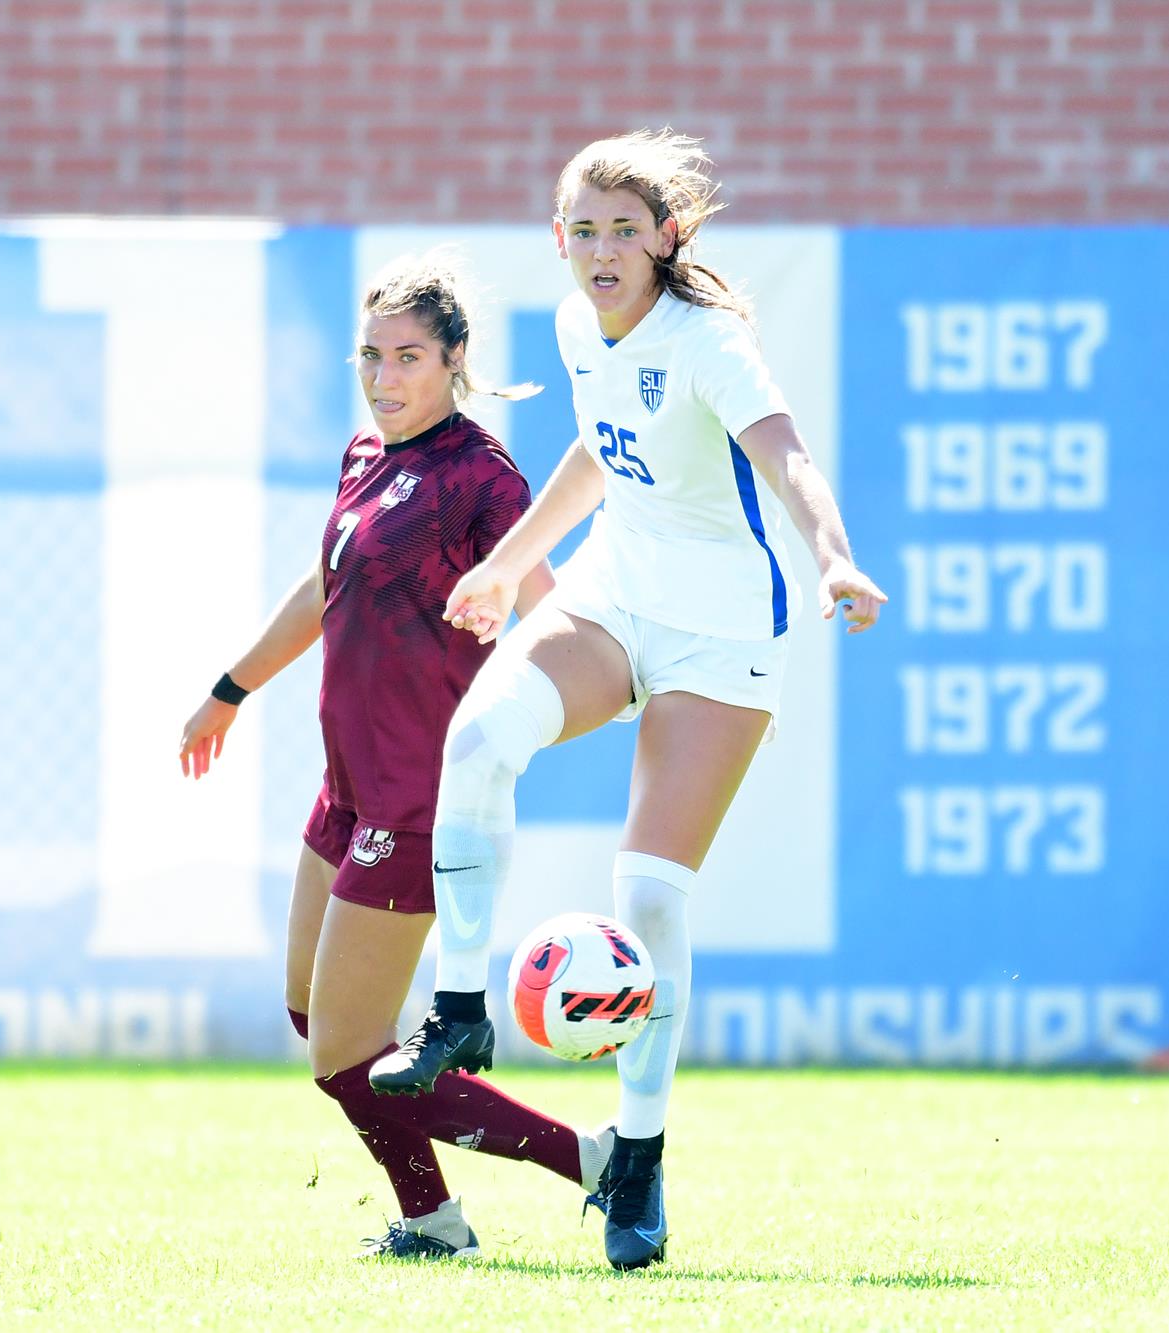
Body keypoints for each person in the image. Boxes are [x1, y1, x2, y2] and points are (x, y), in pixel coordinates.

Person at [369, 129, 887, 1270]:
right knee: (480, 736)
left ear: (662, 237)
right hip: (613, 594)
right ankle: (459, 1006)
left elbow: (789, 457)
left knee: (645, 899)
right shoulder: (571, 323)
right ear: (558, 242)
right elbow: (602, 454)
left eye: (622, 229)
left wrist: (834, 560)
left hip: (717, 636)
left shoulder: (709, 340)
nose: (602, 250)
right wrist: (509, 564)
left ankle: (638, 1160)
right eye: (583, 231)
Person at [177, 255, 613, 1261]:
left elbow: (547, 614)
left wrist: (518, 703)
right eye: (370, 355)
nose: (383, 376)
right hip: (347, 790)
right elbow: (323, 587)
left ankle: (589, 1162)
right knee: (316, 1024)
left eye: (408, 356)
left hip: (419, 802)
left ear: (455, 361)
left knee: (345, 1052)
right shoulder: (363, 455)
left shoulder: (480, 477)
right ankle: (435, 1220)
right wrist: (230, 688)